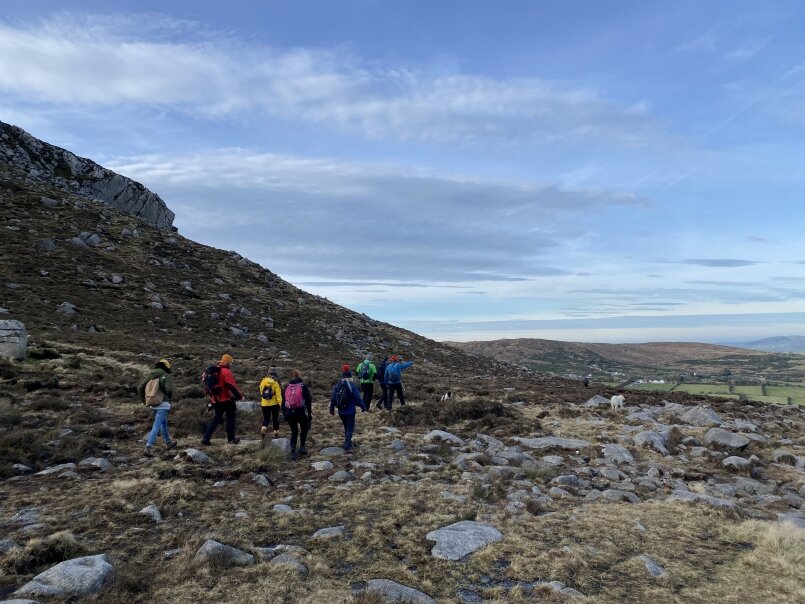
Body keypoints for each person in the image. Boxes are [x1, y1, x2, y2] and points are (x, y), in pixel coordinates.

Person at [201, 354, 243, 445]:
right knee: (231, 418)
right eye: (230, 363)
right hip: (226, 399)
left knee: (216, 419)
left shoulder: (212, 371)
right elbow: (232, 386)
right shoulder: (226, 371)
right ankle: (231, 439)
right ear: (227, 362)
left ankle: (206, 438)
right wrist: (239, 396)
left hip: (215, 400)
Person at [138, 358, 176, 457]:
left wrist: (144, 400)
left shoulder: (151, 375)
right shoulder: (167, 376)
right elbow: (169, 390)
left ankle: (168, 442)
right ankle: (148, 447)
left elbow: (140, 387)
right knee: (156, 426)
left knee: (163, 423)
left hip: (153, 403)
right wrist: (168, 396)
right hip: (163, 404)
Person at [329, 364, 366, 452]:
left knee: (346, 427)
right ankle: (347, 446)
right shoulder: (352, 386)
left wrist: (331, 409)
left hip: (341, 411)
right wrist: (363, 407)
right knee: (350, 427)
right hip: (350, 411)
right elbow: (357, 398)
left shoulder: (338, 386)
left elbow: (333, 398)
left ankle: (348, 443)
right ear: (350, 377)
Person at [282, 369, 312, 460]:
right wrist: (309, 414)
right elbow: (308, 401)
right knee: (304, 428)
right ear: (299, 376)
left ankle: (292, 451)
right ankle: (302, 447)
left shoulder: (287, 387)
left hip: (290, 412)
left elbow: (283, 402)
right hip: (301, 412)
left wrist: (285, 414)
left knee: (294, 431)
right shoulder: (303, 386)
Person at [258, 367, 283, 440]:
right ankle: (276, 433)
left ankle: (263, 428)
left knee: (266, 418)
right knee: (275, 418)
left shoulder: (263, 381)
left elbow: (261, 392)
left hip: (264, 404)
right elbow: (278, 395)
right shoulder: (276, 383)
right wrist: (281, 403)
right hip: (274, 404)